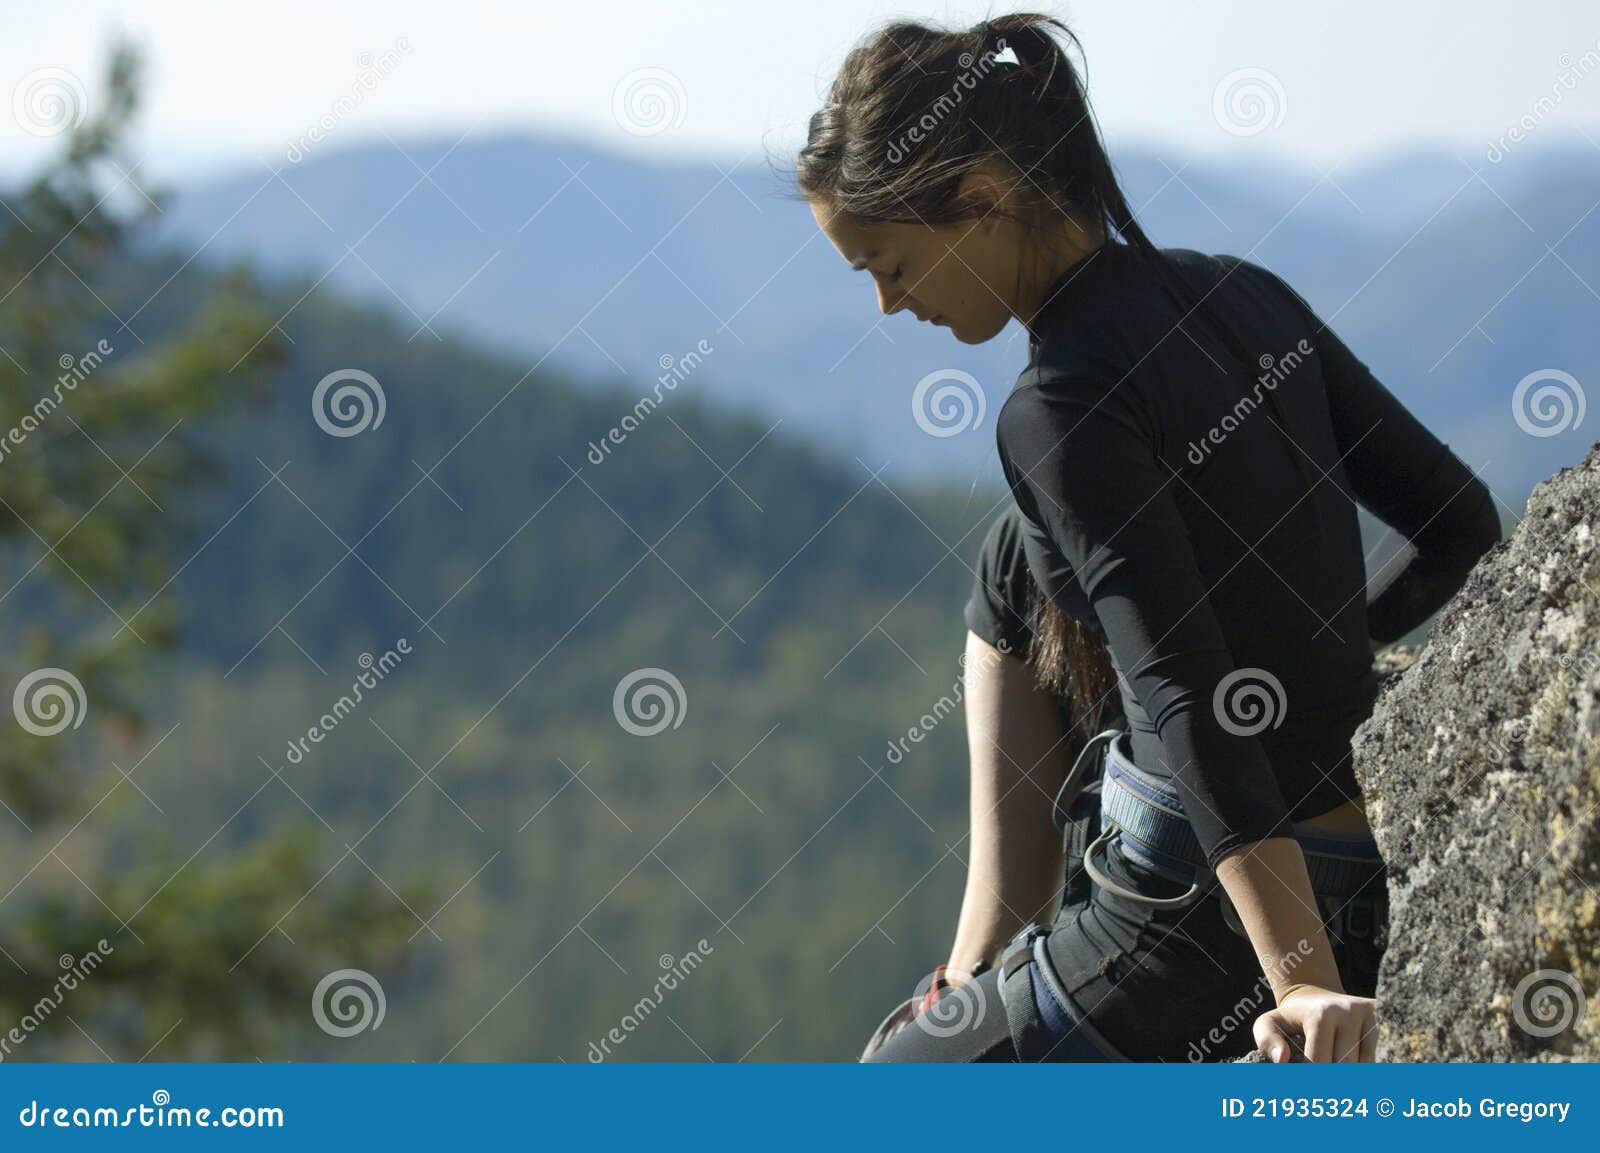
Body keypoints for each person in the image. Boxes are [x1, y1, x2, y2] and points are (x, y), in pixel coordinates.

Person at [796, 13, 1503, 1062]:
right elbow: (1458, 524)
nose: (890, 305)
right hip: (1352, 873)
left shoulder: (1058, 406)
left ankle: (982, 990)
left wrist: (1301, 984)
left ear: (981, 203)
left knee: (892, 1086)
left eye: (888, 265)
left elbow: (1185, 694)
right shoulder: (1244, 294)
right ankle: (981, 958)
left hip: (1204, 919)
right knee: (1012, 560)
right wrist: (1320, 655)